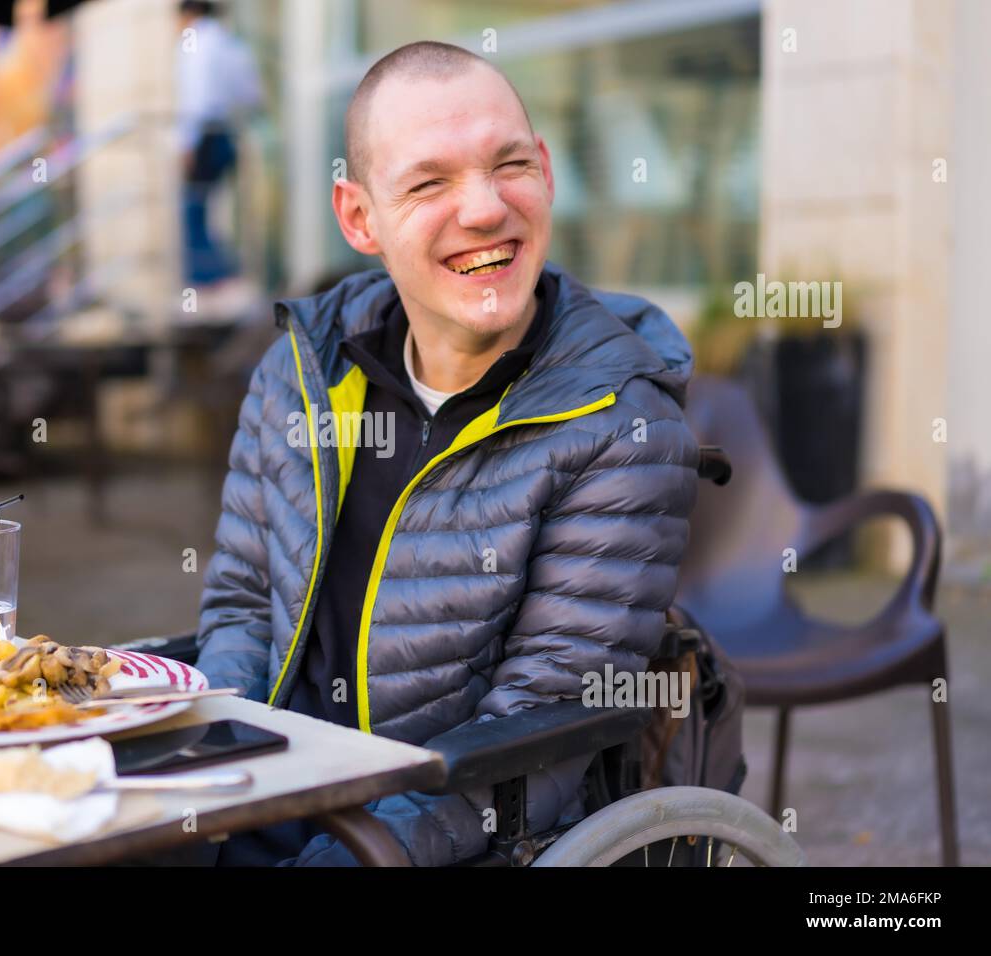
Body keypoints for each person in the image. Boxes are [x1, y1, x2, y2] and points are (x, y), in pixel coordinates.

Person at [195, 41, 700, 866]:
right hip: (270, 810)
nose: (484, 210)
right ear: (359, 218)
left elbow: (536, 737)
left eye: (509, 166)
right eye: (429, 183)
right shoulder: (302, 372)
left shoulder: (623, 420)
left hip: (460, 844)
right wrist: (193, 793)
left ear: (545, 170)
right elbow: (245, 611)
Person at [175, 0, 263, 291]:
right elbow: (251, 94)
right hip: (224, 132)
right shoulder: (230, 42)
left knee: (193, 208)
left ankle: (207, 279)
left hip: (204, 134)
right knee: (208, 207)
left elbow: (196, 101)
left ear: (189, 14)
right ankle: (222, 271)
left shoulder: (196, 44)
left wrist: (186, 144)